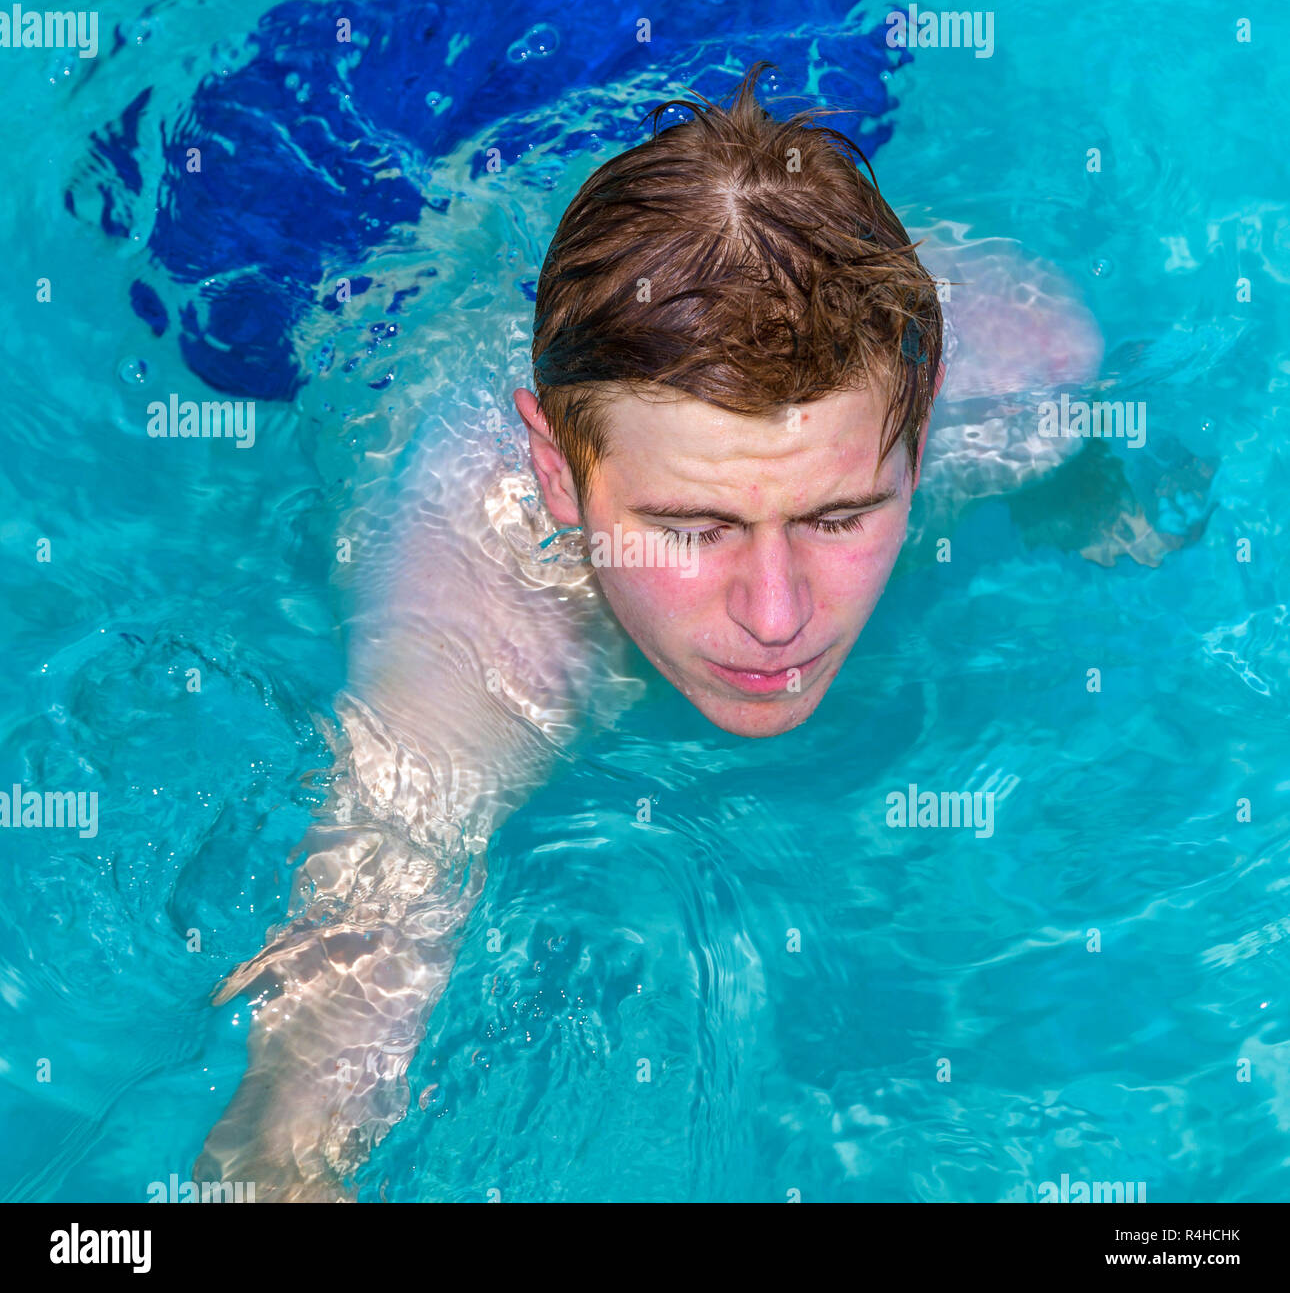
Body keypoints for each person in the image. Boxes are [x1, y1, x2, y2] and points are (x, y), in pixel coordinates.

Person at [196, 62, 1111, 1198]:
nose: (776, 616)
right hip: (373, 170)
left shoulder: (1025, 388)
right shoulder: (477, 622)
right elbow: (305, 1099)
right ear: (557, 473)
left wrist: (1078, 489)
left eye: (840, 513)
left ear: (920, 440)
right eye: (691, 526)